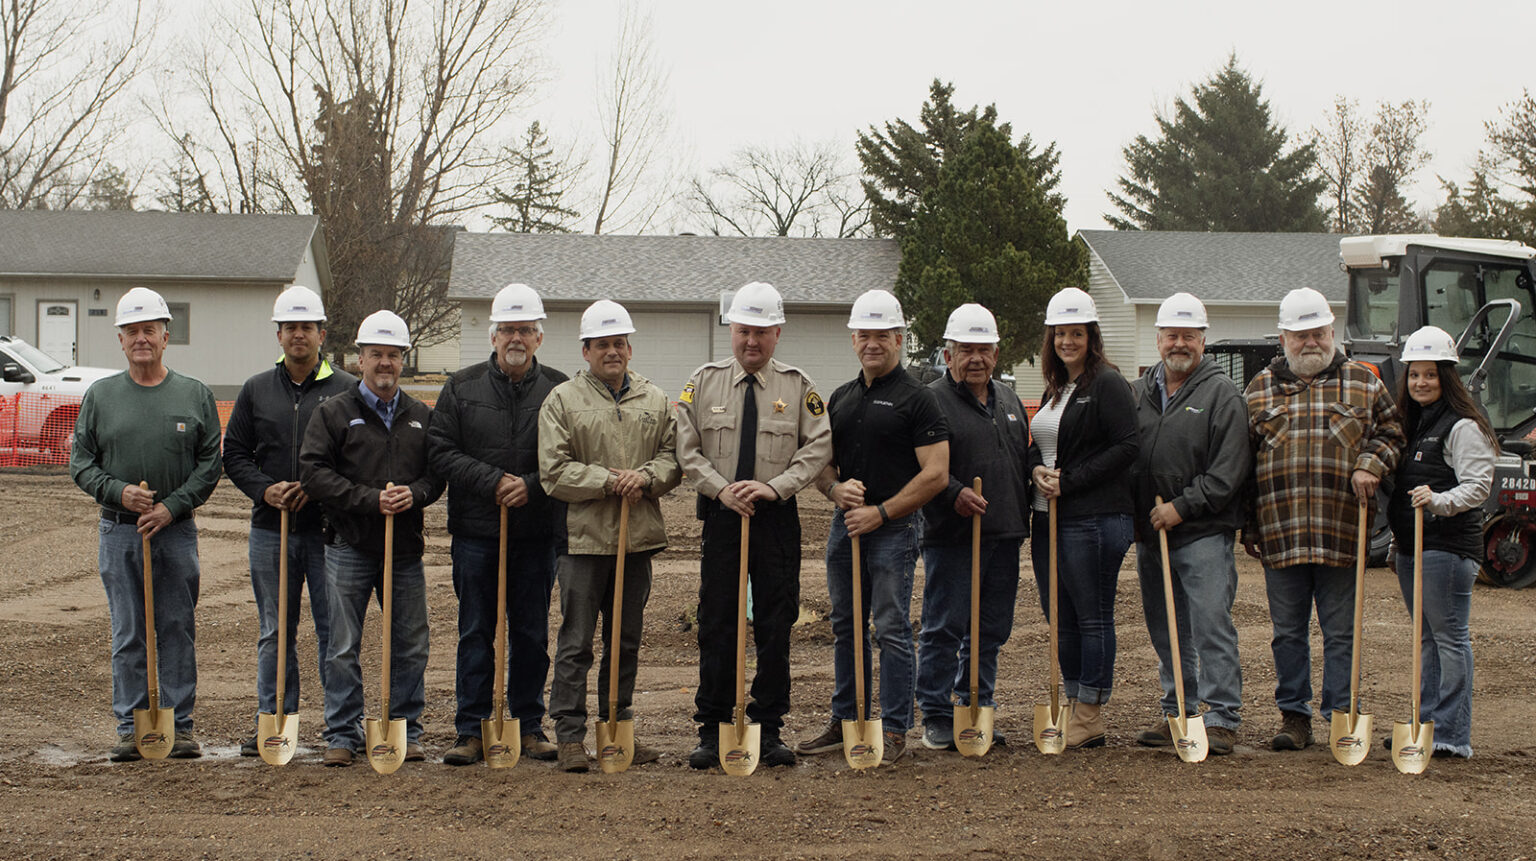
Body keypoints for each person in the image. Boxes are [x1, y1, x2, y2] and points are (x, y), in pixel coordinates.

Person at [675, 282, 832, 769]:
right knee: (718, 622)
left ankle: (767, 729)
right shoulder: (702, 384)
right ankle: (713, 726)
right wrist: (721, 489)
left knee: (774, 624)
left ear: (777, 333)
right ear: (732, 330)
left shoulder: (799, 387)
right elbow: (686, 448)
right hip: (723, 519)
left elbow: (818, 447)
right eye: (744, 331)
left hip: (774, 520)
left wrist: (775, 487)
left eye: (762, 332)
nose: (752, 341)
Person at [1244, 287, 1404, 751]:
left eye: (1318, 333)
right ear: (1283, 338)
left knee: (1340, 633)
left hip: (1341, 533)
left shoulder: (1365, 382)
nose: (1310, 342)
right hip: (1281, 532)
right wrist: (1249, 526)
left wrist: (1370, 464)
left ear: (1332, 332)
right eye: (1300, 335)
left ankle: (1340, 715)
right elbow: (1244, 465)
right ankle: (1294, 718)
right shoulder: (1258, 390)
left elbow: (1393, 433)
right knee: (1287, 635)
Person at [71, 287, 223, 761]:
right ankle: (130, 726)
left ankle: (179, 727)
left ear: (165, 336)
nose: (141, 339)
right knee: (129, 631)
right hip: (120, 531)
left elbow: (209, 463)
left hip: (175, 532)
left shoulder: (193, 393)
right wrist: (119, 493)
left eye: (149, 330)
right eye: (132, 331)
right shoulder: (101, 396)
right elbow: (80, 462)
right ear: (120, 339)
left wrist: (171, 506)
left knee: (176, 627)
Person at [798, 289, 949, 764]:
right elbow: (820, 463)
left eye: (882, 335)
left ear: (899, 339)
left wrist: (881, 513)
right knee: (846, 626)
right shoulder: (840, 398)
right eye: (864, 335)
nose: (872, 343)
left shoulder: (918, 399)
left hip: (894, 531)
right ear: (854, 339)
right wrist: (834, 491)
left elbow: (937, 473)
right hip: (846, 529)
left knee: (891, 628)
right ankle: (846, 719)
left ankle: (896, 728)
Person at [539, 300, 682, 773]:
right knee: (576, 642)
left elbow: (672, 458)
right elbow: (553, 472)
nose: (612, 351)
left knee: (625, 641)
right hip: (583, 543)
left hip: (636, 541)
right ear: (586, 350)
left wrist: (644, 478)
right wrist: (607, 480)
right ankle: (569, 737)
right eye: (603, 344)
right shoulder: (563, 400)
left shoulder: (655, 400)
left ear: (629, 347)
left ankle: (618, 731)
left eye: (619, 343)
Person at [429, 283, 568, 765]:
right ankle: (471, 728)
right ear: (493, 336)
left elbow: (571, 457)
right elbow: (441, 451)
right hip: (476, 535)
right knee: (475, 631)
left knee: (530, 633)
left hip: (535, 536)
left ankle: (528, 725)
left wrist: (531, 484)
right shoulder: (460, 388)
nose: (516, 337)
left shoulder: (559, 388)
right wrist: (492, 481)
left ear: (539, 337)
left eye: (525, 329)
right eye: (507, 328)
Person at [300, 310, 444, 767]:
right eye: (376, 354)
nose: (385, 363)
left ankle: (406, 728)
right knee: (341, 644)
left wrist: (415, 494)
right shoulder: (334, 413)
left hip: (403, 550)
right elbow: (314, 474)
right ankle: (343, 732)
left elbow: (435, 476)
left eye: (394, 355)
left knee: (411, 643)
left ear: (404, 361)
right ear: (360, 359)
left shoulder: (421, 416)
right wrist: (368, 500)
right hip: (348, 546)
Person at [223, 285, 356, 757]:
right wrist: (264, 488)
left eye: (308, 327)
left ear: (322, 333)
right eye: (290, 328)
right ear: (278, 335)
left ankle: (343, 730)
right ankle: (274, 718)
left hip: (329, 534)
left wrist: (318, 488)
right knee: (274, 631)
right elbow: (234, 454)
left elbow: (357, 460)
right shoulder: (257, 389)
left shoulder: (346, 389)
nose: (299, 335)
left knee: (334, 633)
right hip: (270, 530)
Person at [1129, 293, 1248, 756]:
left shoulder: (1222, 395)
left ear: (1203, 340)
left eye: (1189, 336)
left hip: (1202, 531)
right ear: (1158, 339)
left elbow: (1229, 470)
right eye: (1171, 335)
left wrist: (1182, 506)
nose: (1179, 344)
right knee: (1166, 626)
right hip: (1151, 533)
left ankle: (1220, 717)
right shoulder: (1138, 392)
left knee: (1210, 622)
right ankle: (1177, 707)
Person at [915, 304, 1030, 751]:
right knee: (945, 626)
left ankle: (975, 704)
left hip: (1004, 533)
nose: (976, 358)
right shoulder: (932, 402)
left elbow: (1022, 457)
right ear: (948, 355)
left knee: (990, 629)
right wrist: (953, 493)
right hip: (953, 536)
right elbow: (921, 464)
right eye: (966, 350)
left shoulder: (1010, 400)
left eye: (984, 349)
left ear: (996, 354)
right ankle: (937, 714)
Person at [1027, 286, 1138, 749]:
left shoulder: (1108, 384)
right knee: (1061, 616)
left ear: (1092, 337)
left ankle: (1090, 710)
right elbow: (1047, 446)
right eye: (1060, 334)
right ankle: (1074, 702)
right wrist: (1034, 465)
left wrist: (1069, 481)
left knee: (1091, 617)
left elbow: (1127, 447)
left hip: (1091, 518)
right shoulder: (1058, 387)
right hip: (1048, 516)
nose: (1067, 341)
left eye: (1077, 333)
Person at [1385, 326, 1495, 759]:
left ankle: (1452, 733)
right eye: (1414, 375)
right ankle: (1425, 723)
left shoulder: (1462, 426)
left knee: (1449, 638)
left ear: (1446, 376)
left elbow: (1477, 487)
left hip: (1447, 549)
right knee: (1427, 639)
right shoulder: (1412, 423)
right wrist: (1397, 543)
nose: (1420, 383)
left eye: (1430, 375)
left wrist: (1438, 501)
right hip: (1413, 548)